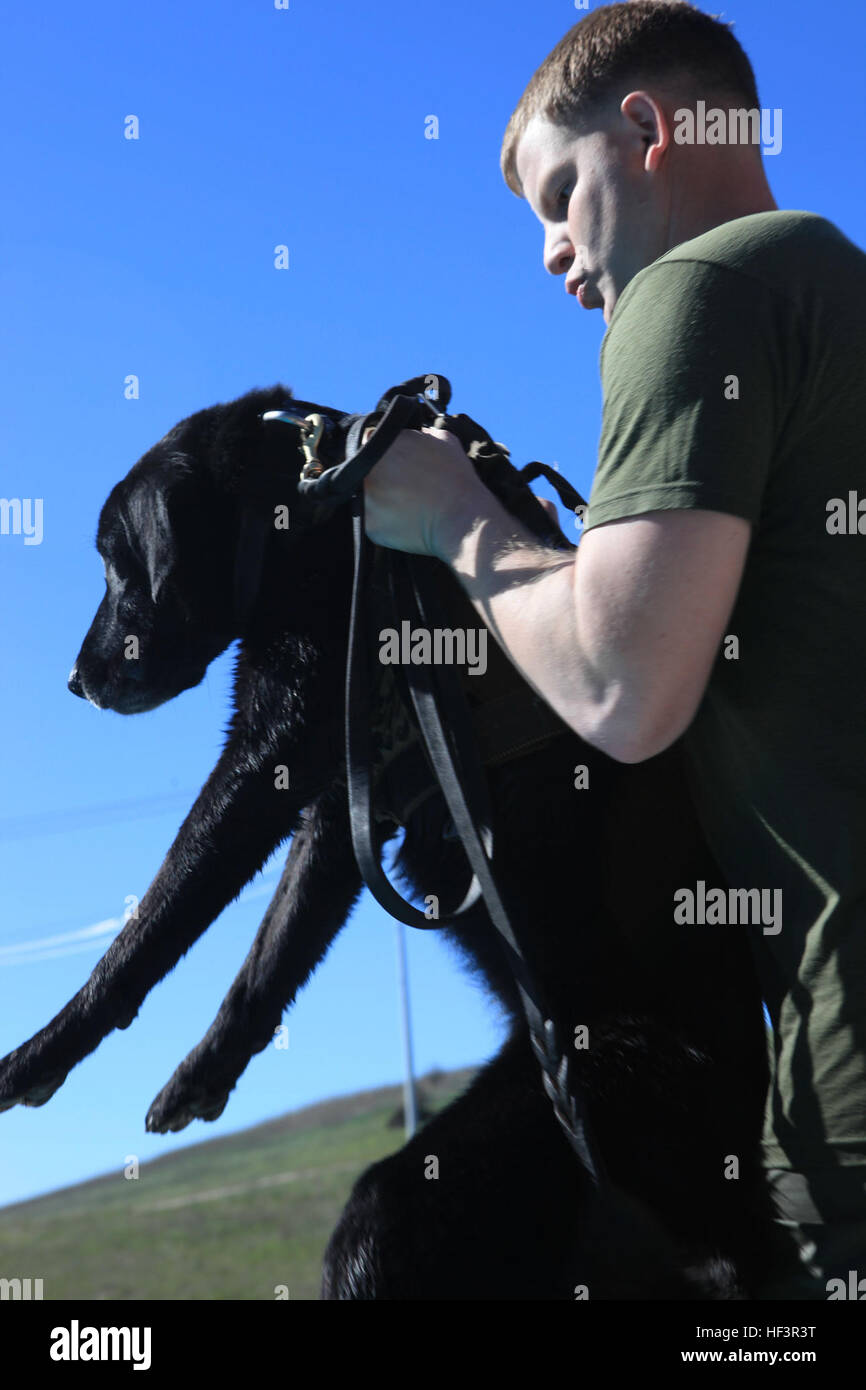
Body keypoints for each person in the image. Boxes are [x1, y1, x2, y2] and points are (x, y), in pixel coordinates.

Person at [362, 0, 866, 1299]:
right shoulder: (833, 289)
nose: (547, 252)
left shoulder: (697, 288)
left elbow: (625, 688)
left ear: (644, 127)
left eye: (554, 193)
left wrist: (450, 517)